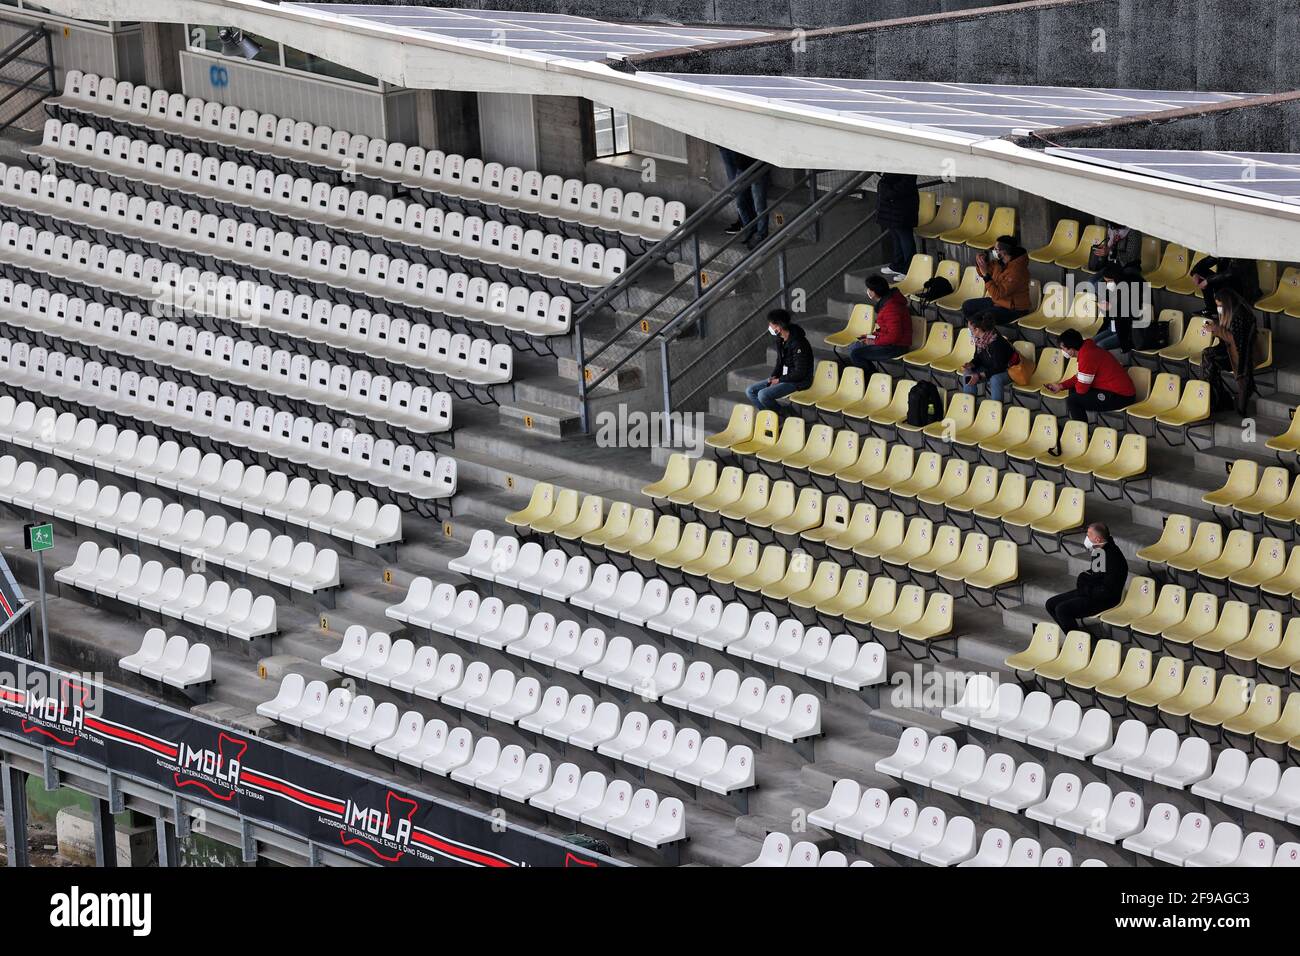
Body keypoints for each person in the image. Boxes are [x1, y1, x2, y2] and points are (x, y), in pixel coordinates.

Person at [1045, 522, 1129, 631]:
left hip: (1105, 599)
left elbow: (1107, 590)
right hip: (1092, 591)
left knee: (1062, 610)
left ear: (1097, 539)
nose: (1086, 537)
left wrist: (1085, 589)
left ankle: (1076, 642)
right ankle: (1074, 635)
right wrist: (1084, 581)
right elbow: (1095, 574)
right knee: (1051, 604)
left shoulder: (1113, 558)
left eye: (1089, 535)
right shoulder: (1099, 550)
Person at [1044, 328, 1136, 422]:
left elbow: (1082, 389)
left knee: (1073, 400)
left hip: (1121, 396)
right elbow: (1079, 377)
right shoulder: (1087, 349)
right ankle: (1079, 426)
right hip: (1110, 390)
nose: (1062, 352)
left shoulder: (1088, 356)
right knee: (1073, 390)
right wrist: (1060, 386)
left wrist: (1078, 384)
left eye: (1063, 349)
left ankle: (1082, 432)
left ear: (1071, 349)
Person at [1200, 287, 1259, 416]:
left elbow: (1236, 339)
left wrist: (1216, 329)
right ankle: (1215, 398)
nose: (1219, 309)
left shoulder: (1241, 315)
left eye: (1220, 306)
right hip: (1229, 349)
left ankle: (1217, 400)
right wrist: (1215, 326)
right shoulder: (1229, 311)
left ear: (1227, 303)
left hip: (1241, 354)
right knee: (1207, 356)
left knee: (1209, 359)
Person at [746, 309, 813, 413]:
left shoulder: (799, 343)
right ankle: (772, 417)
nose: (769, 327)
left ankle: (785, 414)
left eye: (771, 324)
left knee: (763, 395)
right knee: (750, 391)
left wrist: (779, 380)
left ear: (779, 326)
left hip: (798, 381)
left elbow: (800, 373)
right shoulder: (780, 339)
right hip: (784, 377)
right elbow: (779, 362)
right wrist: (774, 376)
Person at [847, 274, 911, 374]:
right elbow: (884, 330)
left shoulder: (891, 308)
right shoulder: (887, 302)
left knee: (856, 354)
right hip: (888, 342)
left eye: (869, 289)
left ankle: (873, 380)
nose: (868, 291)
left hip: (896, 347)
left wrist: (873, 342)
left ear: (875, 292)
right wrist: (869, 336)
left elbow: (894, 336)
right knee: (854, 345)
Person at [962, 235, 1031, 325]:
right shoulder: (1000, 262)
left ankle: (987, 336)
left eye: (995, 249)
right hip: (999, 302)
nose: (993, 251)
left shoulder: (1016, 271)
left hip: (1014, 309)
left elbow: (997, 294)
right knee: (967, 306)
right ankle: (980, 333)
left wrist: (986, 276)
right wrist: (982, 263)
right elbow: (983, 272)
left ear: (1003, 252)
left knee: (979, 318)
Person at [718, 147, 770, 249]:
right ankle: (750, 230)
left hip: (757, 169)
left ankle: (761, 234)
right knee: (740, 203)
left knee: (759, 205)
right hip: (742, 168)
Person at [960, 313, 1017, 402]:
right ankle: (968, 407)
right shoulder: (979, 340)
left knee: (995, 379)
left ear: (977, 330)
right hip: (991, 367)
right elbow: (978, 358)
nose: (969, 331)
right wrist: (971, 364)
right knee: (968, 373)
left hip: (1008, 370)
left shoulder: (995, 342)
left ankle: (996, 410)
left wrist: (979, 376)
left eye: (970, 329)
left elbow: (999, 368)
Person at [1092, 262, 1147, 353]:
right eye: (1106, 281)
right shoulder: (1110, 290)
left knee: (1100, 346)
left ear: (1117, 278)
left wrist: (1111, 308)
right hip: (1111, 327)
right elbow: (1108, 316)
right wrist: (1103, 307)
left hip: (1126, 331)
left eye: (1109, 281)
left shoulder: (1132, 291)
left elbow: (1132, 316)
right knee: (1091, 343)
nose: (1107, 284)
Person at [874, 172, 919, 280]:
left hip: (902, 205)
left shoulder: (908, 165)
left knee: (905, 238)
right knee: (896, 235)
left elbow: (907, 183)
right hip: (891, 206)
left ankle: (909, 269)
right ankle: (898, 265)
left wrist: (889, 193)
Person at [1191, 256, 1260, 318]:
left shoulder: (1241, 250)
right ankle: (1211, 309)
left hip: (1244, 290)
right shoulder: (1223, 248)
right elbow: (1208, 261)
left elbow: (1231, 272)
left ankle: (1224, 314)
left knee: (1222, 278)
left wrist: (1207, 280)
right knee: (1200, 271)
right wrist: (1195, 273)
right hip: (1227, 283)